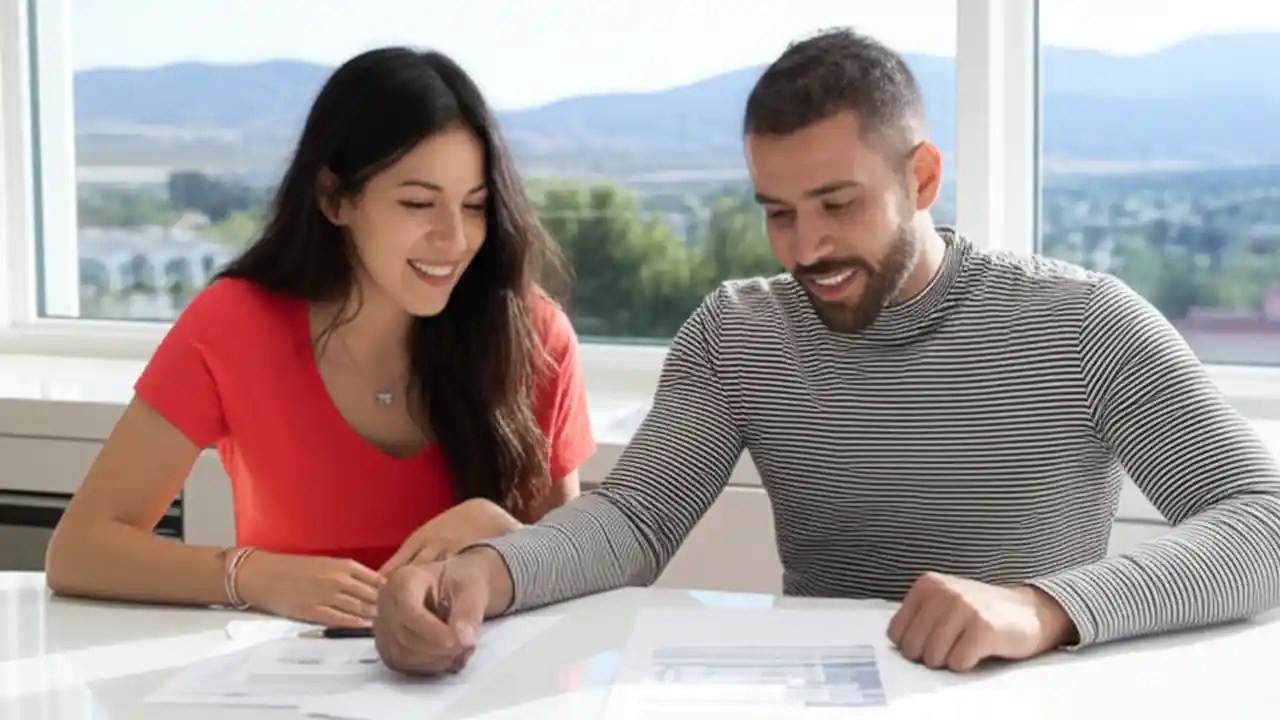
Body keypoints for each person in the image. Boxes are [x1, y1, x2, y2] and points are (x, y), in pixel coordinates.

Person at [374, 27, 1280, 675]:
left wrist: (1044, 607)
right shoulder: (738, 331)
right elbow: (636, 522)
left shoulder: (1080, 323)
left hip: (1020, 696)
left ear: (920, 177)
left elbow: (1264, 521)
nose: (804, 248)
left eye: (838, 204)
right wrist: (487, 574)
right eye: (778, 212)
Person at [45, 47, 595, 629]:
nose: (455, 238)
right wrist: (253, 576)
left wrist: (507, 540)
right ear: (334, 198)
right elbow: (80, 551)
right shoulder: (234, 324)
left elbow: (584, 566)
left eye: (476, 206)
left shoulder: (533, 334)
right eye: (418, 203)